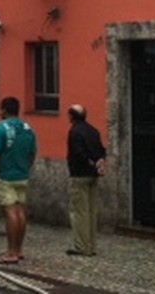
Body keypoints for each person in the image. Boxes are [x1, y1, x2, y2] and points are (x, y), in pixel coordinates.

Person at [0, 96, 37, 264]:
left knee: (10, 212)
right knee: (20, 211)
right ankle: (19, 249)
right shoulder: (28, 129)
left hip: (6, 176)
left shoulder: (1, 129)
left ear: (4, 111)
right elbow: (32, 153)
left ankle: (11, 252)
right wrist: (26, 168)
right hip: (22, 176)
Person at [66, 104, 107, 257]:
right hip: (93, 175)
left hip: (79, 175)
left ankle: (82, 246)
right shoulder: (93, 131)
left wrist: (87, 162)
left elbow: (78, 153)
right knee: (91, 211)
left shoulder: (75, 132)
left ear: (72, 116)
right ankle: (92, 245)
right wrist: (98, 163)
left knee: (80, 212)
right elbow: (102, 150)